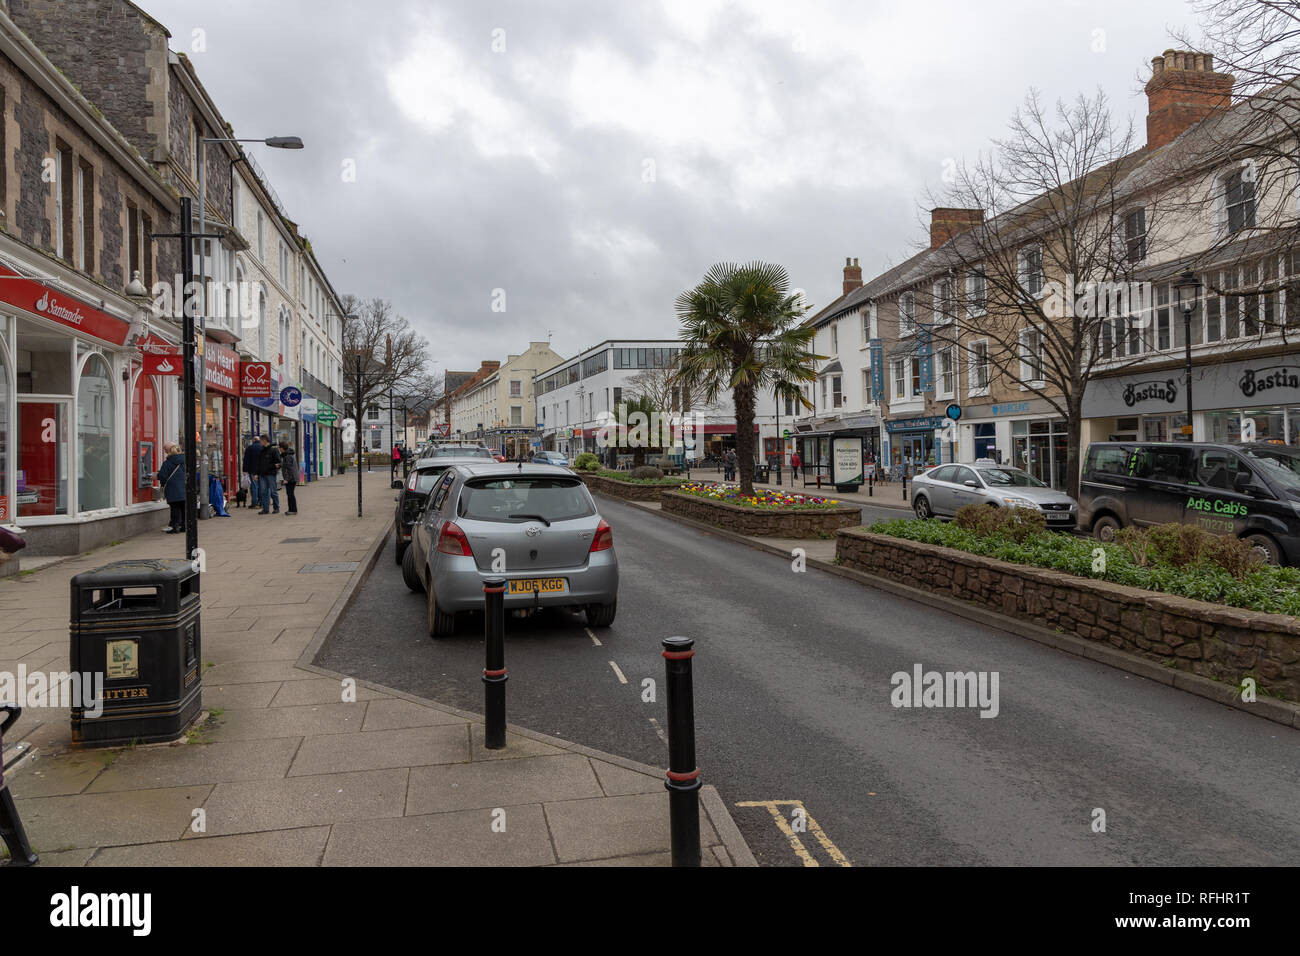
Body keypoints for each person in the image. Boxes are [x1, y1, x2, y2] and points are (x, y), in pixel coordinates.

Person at [158, 443, 187, 534]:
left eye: (165, 451)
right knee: (183, 508)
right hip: (185, 488)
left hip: (172, 489)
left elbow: (162, 476)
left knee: (174, 508)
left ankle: (174, 527)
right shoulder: (185, 460)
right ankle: (184, 526)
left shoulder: (167, 463)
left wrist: (157, 477)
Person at [257, 435, 281, 514]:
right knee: (263, 492)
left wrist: (273, 466)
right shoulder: (261, 451)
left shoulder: (273, 450)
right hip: (262, 474)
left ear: (265, 441)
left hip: (270, 474)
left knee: (273, 491)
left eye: (261, 441)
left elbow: (278, 462)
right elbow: (259, 463)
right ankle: (265, 509)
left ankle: (276, 507)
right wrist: (257, 473)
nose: (260, 442)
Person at [242, 435, 263, 510]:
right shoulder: (262, 447)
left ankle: (254, 503)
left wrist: (245, 470)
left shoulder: (249, 448)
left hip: (252, 470)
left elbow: (246, 460)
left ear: (253, 440)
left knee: (254, 486)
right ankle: (262, 502)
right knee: (261, 486)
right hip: (262, 470)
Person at [279, 441, 299, 515]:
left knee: (290, 494)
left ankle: (293, 510)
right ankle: (291, 509)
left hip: (291, 478)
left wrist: (286, 479)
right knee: (290, 493)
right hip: (293, 477)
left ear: (282, 448)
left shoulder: (287, 456)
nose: (279, 449)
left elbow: (289, 469)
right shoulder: (289, 454)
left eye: (280, 448)